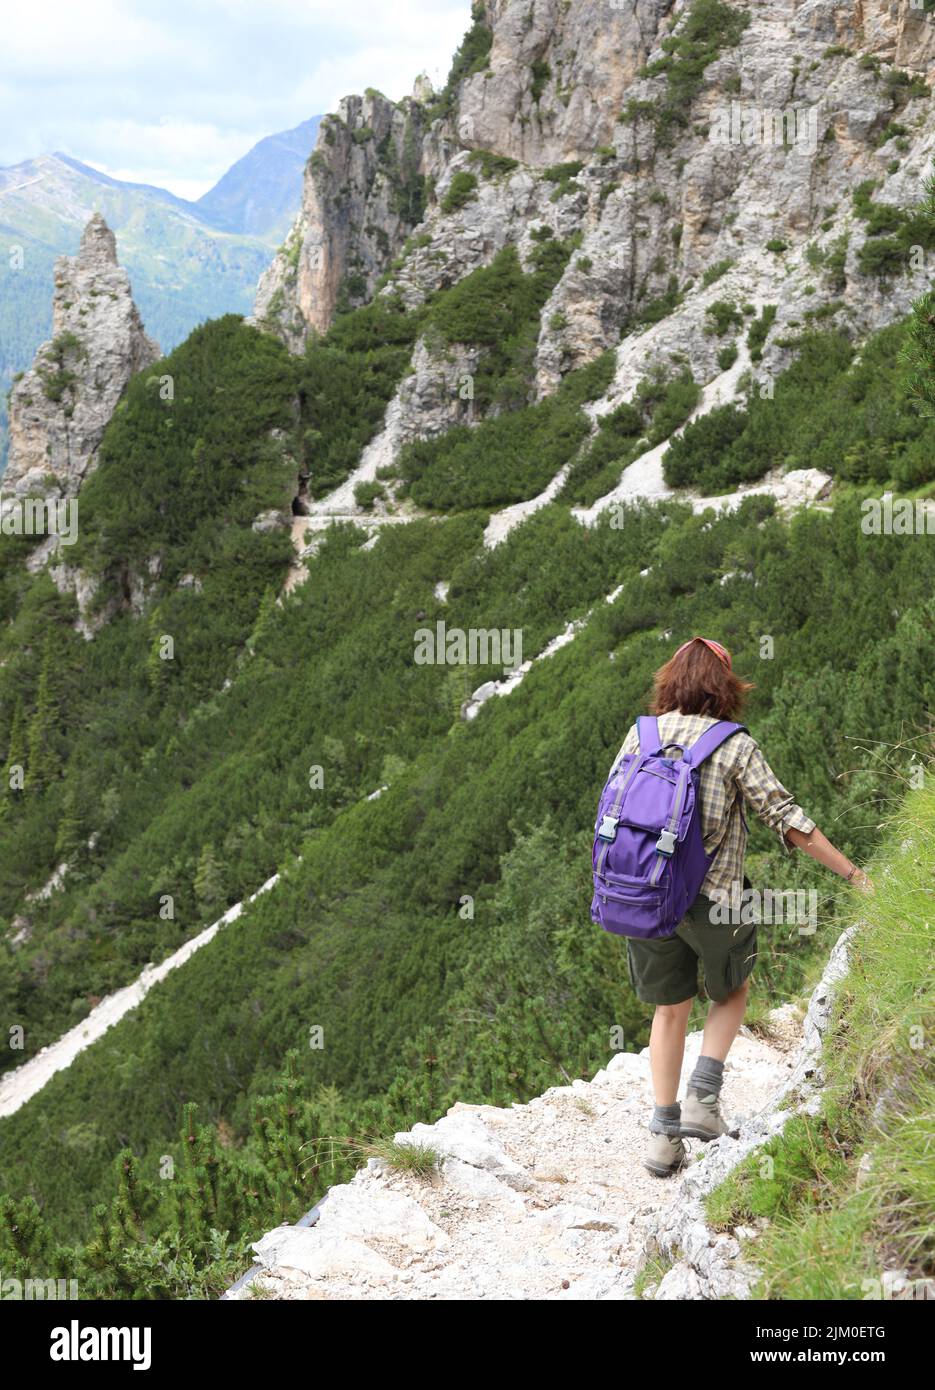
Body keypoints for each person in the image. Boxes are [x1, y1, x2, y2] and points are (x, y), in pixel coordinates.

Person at [608, 637, 872, 1177]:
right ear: (724, 686)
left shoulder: (639, 736)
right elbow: (786, 817)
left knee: (669, 1008)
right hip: (715, 903)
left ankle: (662, 1136)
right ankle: (703, 1102)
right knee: (730, 990)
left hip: (644, 897)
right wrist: (853, 873)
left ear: (671, 681)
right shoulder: (733, 745)